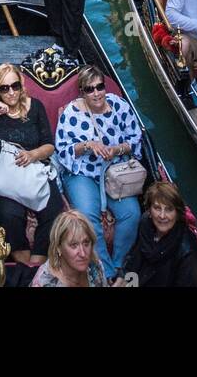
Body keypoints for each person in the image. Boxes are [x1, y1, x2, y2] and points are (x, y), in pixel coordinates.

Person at [0, 63, 61, 267]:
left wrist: (33, 154)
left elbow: (49, 146)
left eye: (15, 86)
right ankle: (26, 268)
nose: (11, 92)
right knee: (8, 215)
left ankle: (36, 264)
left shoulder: (36, 107)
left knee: (55, 212)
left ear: (21, 85)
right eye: (4, 88)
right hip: (5, 177)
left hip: (35, 171)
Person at [55, 64, 143, 282]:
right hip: (81, 174)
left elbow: (135, 138)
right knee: (88, 215)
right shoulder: (70, 113)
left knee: (132, 213)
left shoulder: (119, 106)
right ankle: (108, 274)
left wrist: (116, 149)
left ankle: (119, 264)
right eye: (89, 89)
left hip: (115, 173)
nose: (96, 93)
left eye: (99, 87)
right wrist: (87, 145)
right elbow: (63, 150)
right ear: (82, 92)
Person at [115, 181, 197, 288]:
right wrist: (120, 281)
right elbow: (133, 261)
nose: (162, 216)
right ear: (149, 211)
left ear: (177, 213)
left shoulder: (188, 252)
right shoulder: (146, 224)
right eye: (157, 208)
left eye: (169, 209)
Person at [30, 209, 107, 288]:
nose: (83, 253)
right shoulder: (44, 282)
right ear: (58, 248)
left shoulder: (95, 267)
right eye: (74, 245)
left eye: (86, 243)